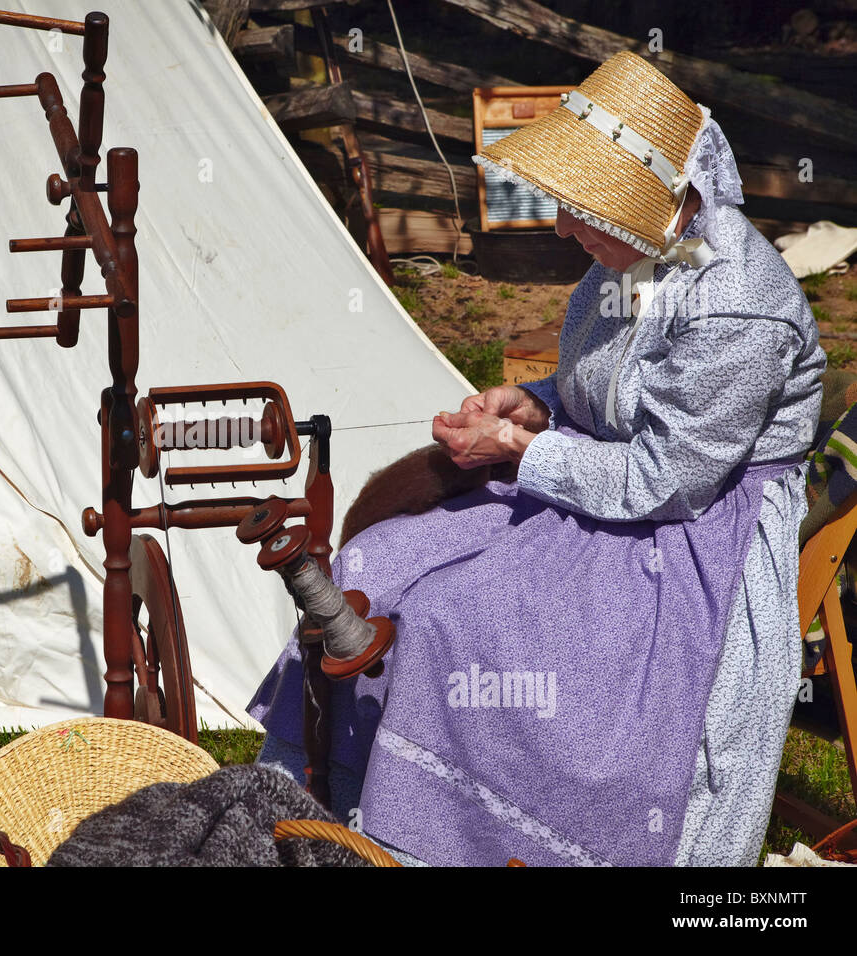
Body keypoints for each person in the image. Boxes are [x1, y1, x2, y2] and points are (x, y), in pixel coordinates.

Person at [247, 50, 826, 866]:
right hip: (593, 488)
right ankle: (338, 803)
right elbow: (616, 382)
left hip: (690, 535)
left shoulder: (740, 304)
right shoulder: (626, 260)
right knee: (377, 558)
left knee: (456, 621)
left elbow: (666, 478)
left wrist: (521, 449)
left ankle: (460, 838)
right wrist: (536, 403)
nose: (561, 229)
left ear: (641, 204)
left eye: (576, 210)